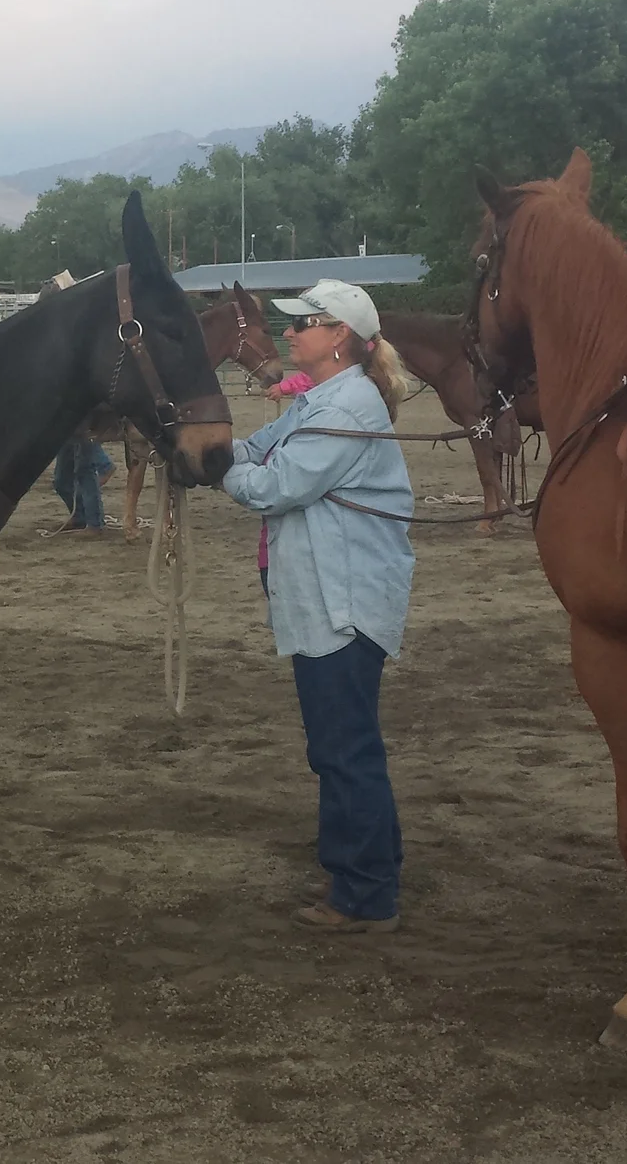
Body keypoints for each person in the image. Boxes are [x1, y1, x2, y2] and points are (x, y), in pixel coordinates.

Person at [218, 279, 417, 934]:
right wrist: (220, 450)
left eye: (305, 321)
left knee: (343, 746)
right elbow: (264, 447)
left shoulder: (348, 406)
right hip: (330, 594)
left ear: (339, 336)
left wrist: (220, 471)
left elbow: (278, 485)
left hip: (344, 601)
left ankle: (365, 895)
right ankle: (367, 868)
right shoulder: (326, 399)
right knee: (342, 743)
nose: (291, 331)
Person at [51, 408, 116, 534]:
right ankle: (79, 516)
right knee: (61, 481)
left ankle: (95, 524)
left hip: (82, 425)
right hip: (64, 427)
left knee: (85, 473)